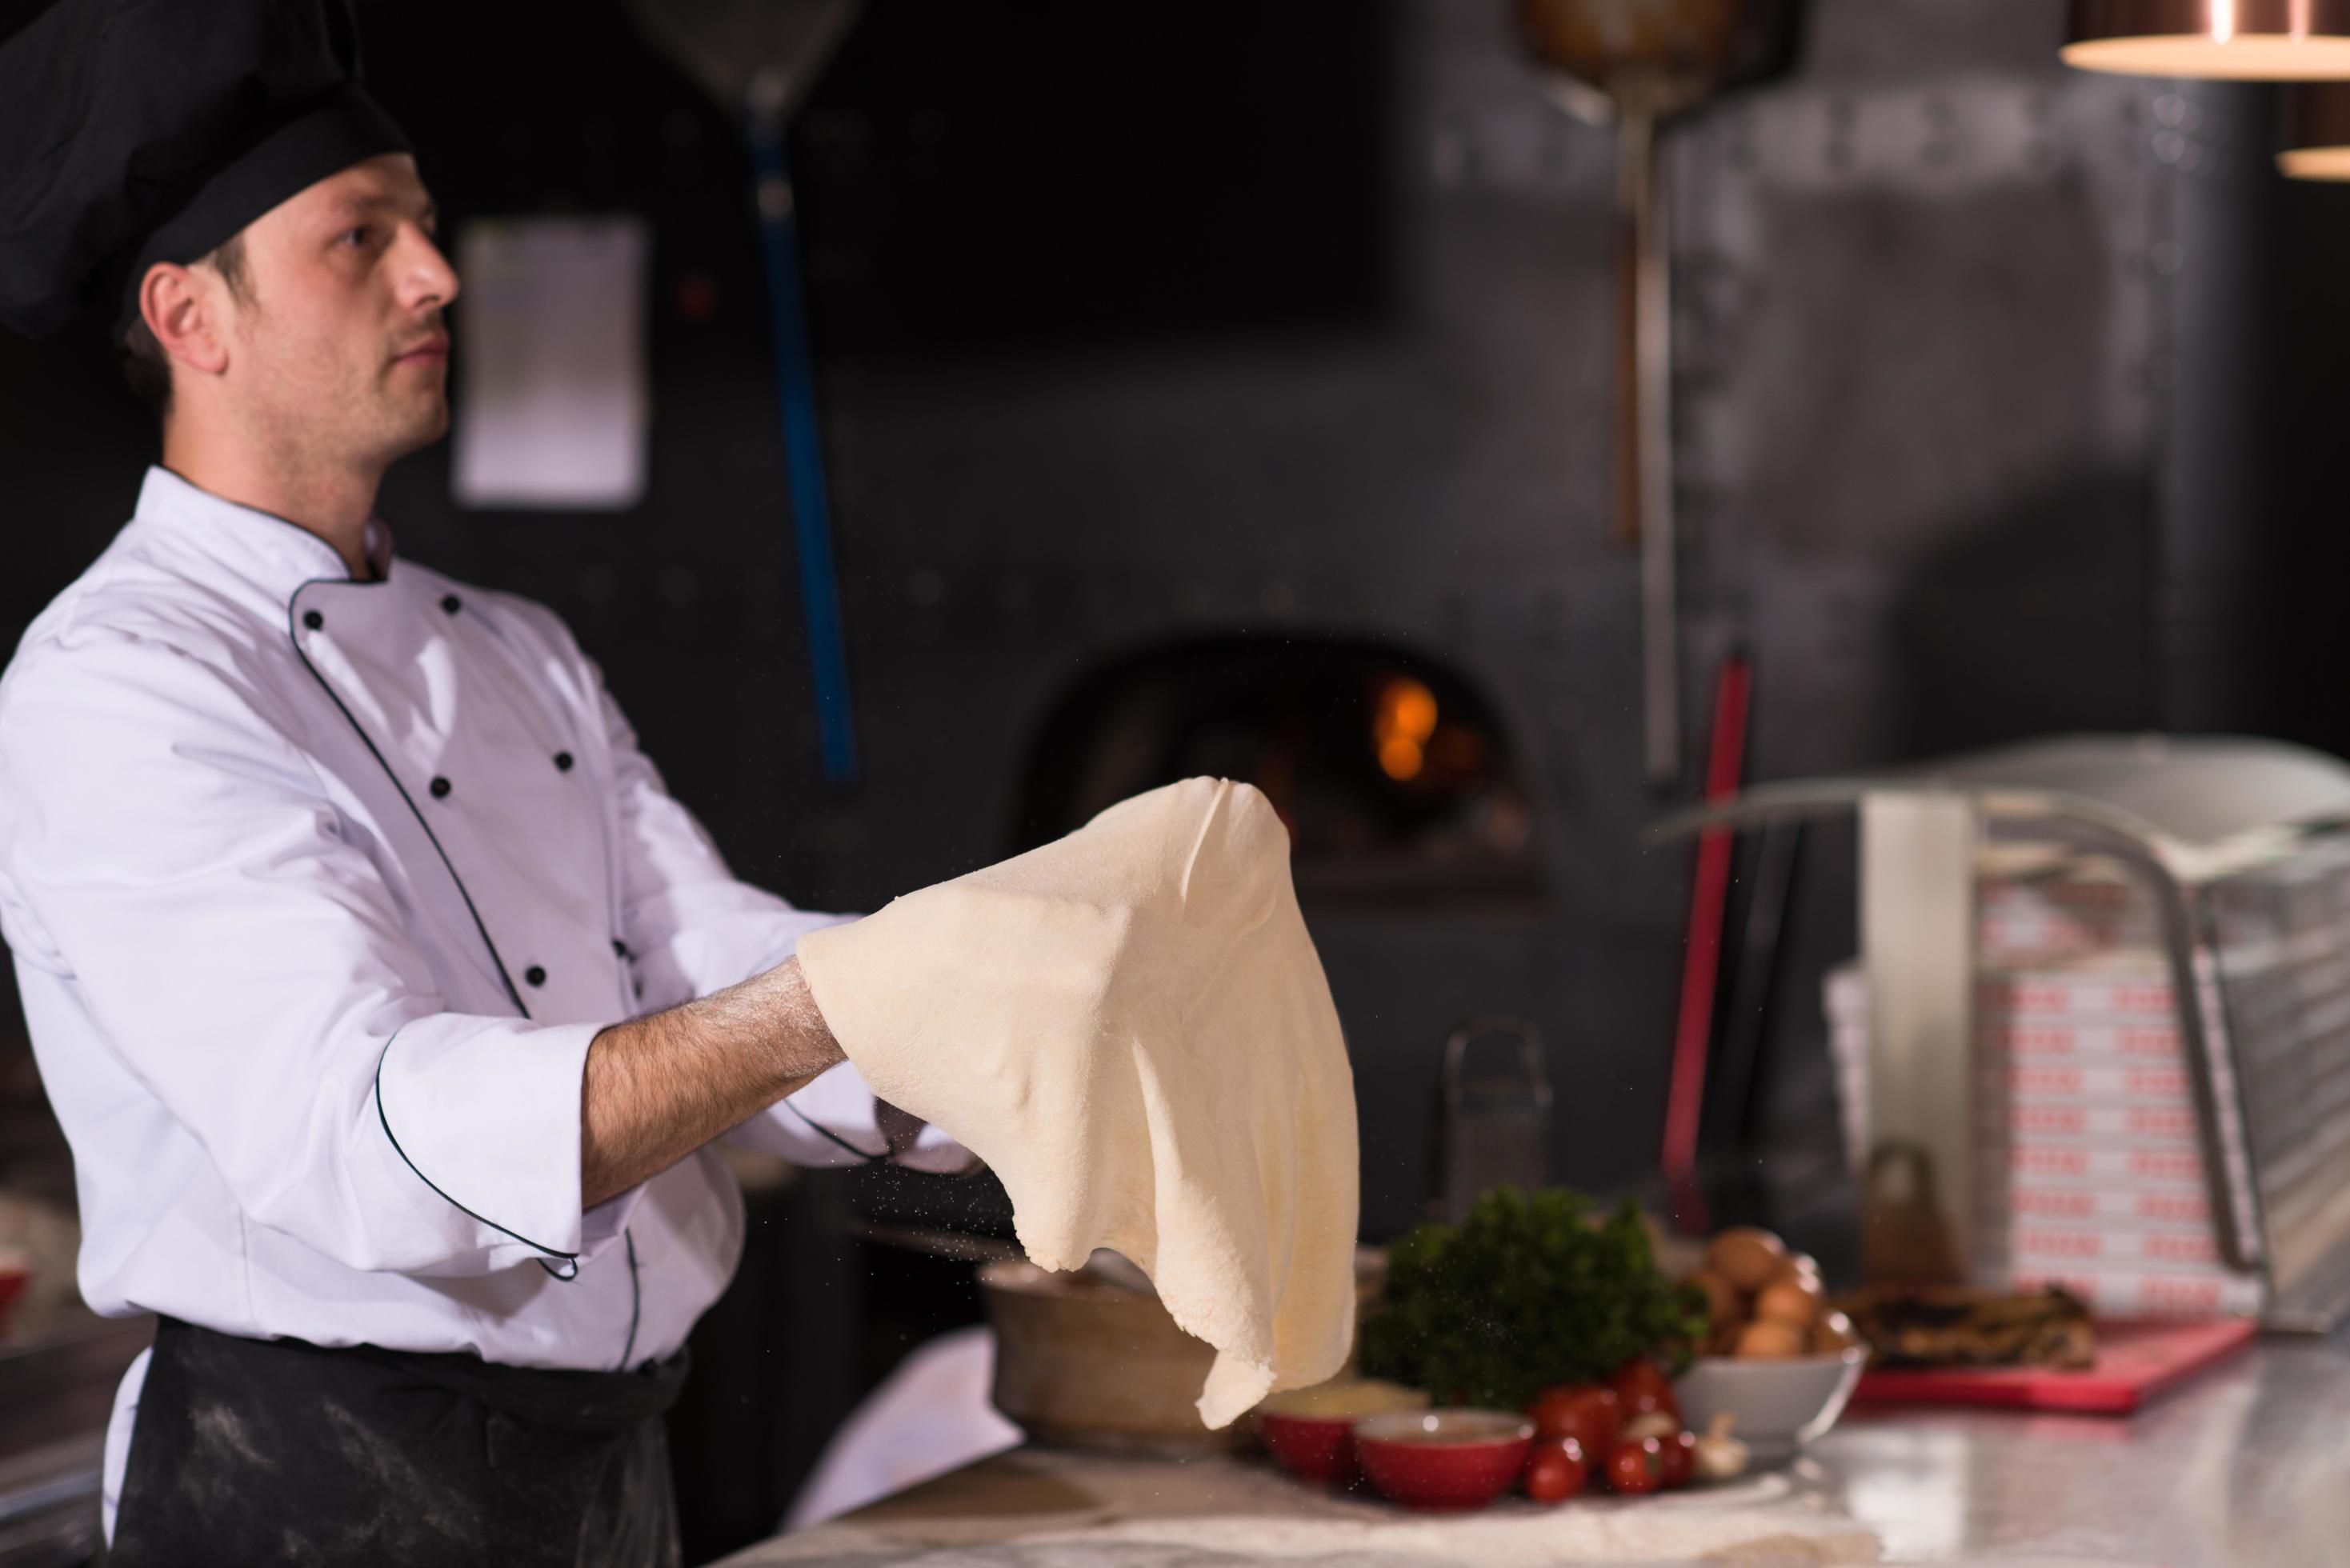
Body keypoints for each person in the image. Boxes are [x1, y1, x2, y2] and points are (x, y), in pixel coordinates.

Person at [0, 2, 970, 1562]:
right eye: (360, 237)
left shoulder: (513, 646)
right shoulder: (120, 685)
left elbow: (693, 948)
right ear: (193, 316)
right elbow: (366, 1133)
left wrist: (995, 1027)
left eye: (426, 229)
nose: (438, 274)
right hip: (315, 1496)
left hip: (611, 1477)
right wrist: (841, 1000)